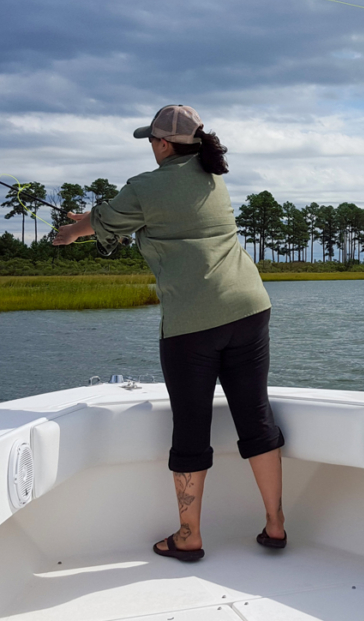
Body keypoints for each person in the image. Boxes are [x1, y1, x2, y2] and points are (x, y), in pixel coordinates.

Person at [53, 105, 286, 562]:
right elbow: (128, 217)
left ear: (163, 144)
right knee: (256, 417)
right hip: (250, 308)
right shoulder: (213, 176)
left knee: (191, 428)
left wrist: (69, 234)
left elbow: (102, 223)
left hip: (192, 325)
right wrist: (97, 219)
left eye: (151, 141)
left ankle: (188, 536)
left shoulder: (145, 186)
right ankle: (276, 526)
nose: (151, 147)